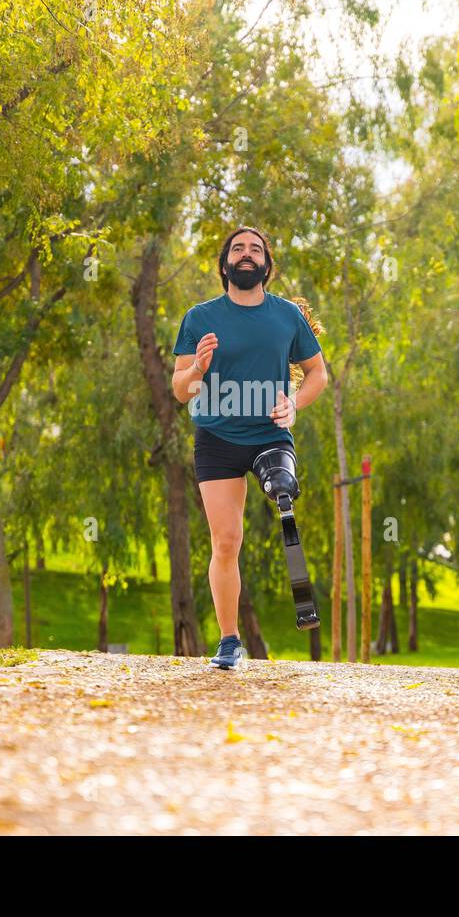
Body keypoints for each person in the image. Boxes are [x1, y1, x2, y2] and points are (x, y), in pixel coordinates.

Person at [170, 226, 328, 669]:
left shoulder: (286, 316)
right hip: (217, 440)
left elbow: (319, 374)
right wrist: (198, 367)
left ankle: (281, 492)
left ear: (265, 265)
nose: (246, 253)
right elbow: (181, 390)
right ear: (225, 263)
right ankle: (229, 641)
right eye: (237, 248)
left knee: (281, 484)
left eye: (255, 249)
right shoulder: (200, 317)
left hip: (270, 433)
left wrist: (294, 404)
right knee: (226, 541)